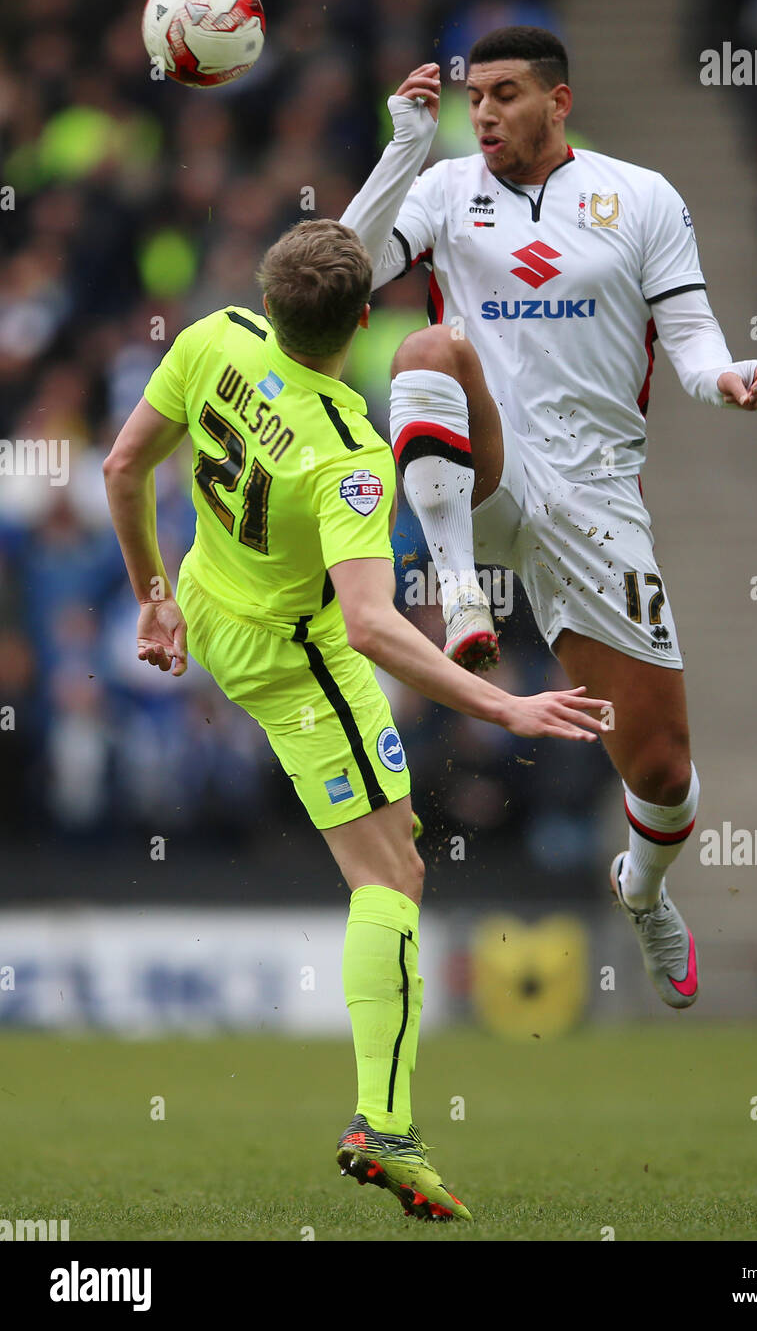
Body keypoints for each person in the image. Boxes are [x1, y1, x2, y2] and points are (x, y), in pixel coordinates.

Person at [102, 67, 608, 1227]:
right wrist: (507, 711)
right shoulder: (345, 449)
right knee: (395, 878)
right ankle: (384, 1125)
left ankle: (386, 1111)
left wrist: (151, 597)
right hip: (297, 652)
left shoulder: (218, 337)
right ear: (365, 318)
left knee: (393, 857)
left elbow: (125, 468)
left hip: (210, 601)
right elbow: (375, 624)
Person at [341, 27, 757, 1012]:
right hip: (482, 470)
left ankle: (643, 890)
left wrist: (725, 379)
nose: (482, 113)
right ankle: (457, 590)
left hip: (594, 499)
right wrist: (402, 146)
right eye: (473, 98)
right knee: (423, 353)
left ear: (557, 100)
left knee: (662, 773)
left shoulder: (643, 197)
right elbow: (346, 276)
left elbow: (692, 334)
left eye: (502, 95)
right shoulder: (446, 187)